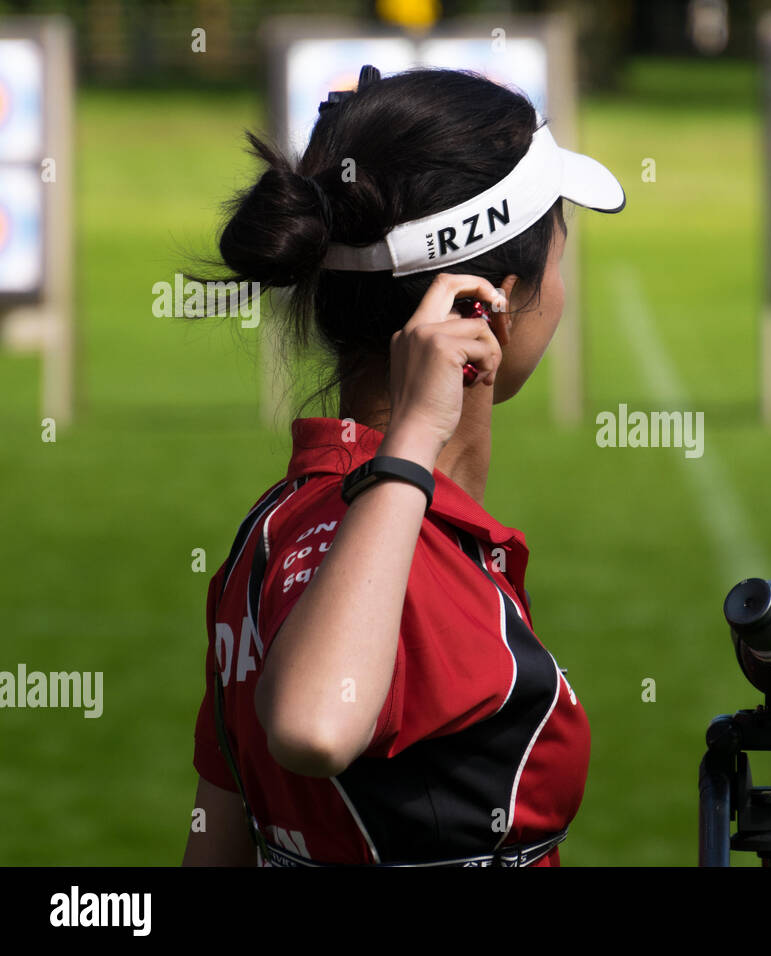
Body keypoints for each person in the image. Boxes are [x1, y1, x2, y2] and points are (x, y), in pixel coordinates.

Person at [180, 66, 625, 866]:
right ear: (483, 305)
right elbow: (314, 726)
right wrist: (417, 437)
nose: (563, 290)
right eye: (561, 254)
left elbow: (214, 843)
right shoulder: (391, 544)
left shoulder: (279, 522)